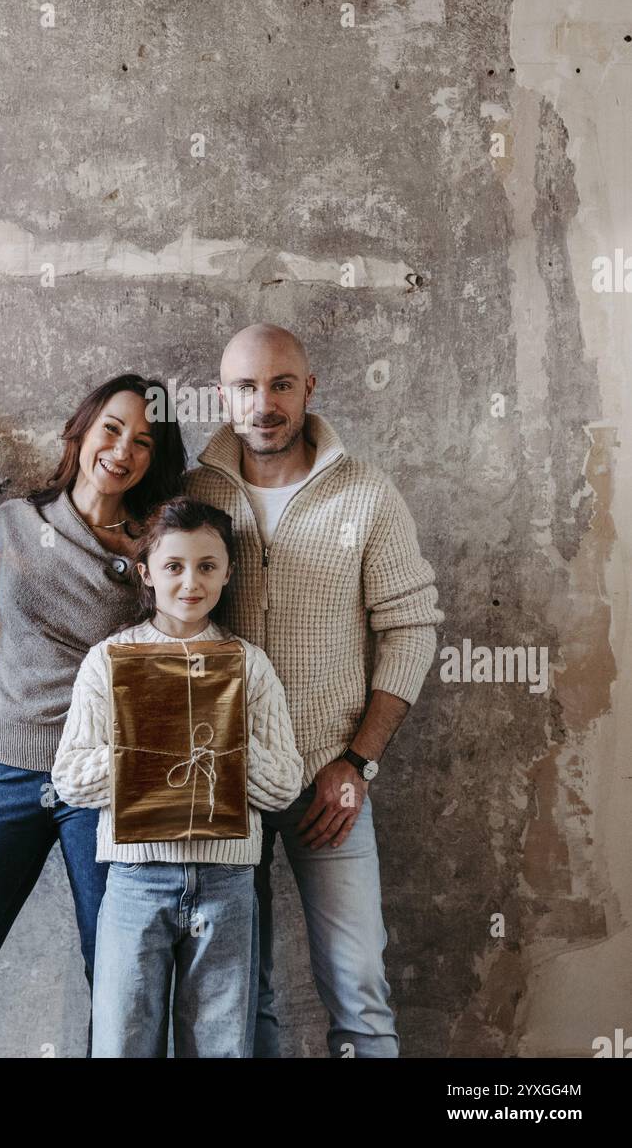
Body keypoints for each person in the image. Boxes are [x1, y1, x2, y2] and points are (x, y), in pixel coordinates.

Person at [0, 372, 186, 1057]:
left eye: (143, 441)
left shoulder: (154, 554)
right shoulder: (8, 520)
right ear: (81, 430)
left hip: (103, 789)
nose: (122, 449)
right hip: (8, 777)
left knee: (116, 983)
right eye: (112, 428)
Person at [184, 323, 444, 1058]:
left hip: (328, 783)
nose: (262, 404)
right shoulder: (194, 491)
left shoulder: (366, 492)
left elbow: (413, 627)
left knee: (360, 987)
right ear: (222, 393)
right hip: (218, 785)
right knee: (239, 999)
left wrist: (357, 763)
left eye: (280, 384)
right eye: (245, 386)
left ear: (309, 389)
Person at [51, 496, 304, 1058]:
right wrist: (162, 747)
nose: (191, 582)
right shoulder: (110, 660)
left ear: (227, 573)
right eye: (173, 566)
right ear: (146, 573)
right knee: (122, 1043)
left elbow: (286, 782)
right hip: (135, 883)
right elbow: (69, 778)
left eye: (207, 566)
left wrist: (220, 755)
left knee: (220, 1047)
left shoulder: (249, 664)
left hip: (228, 881)